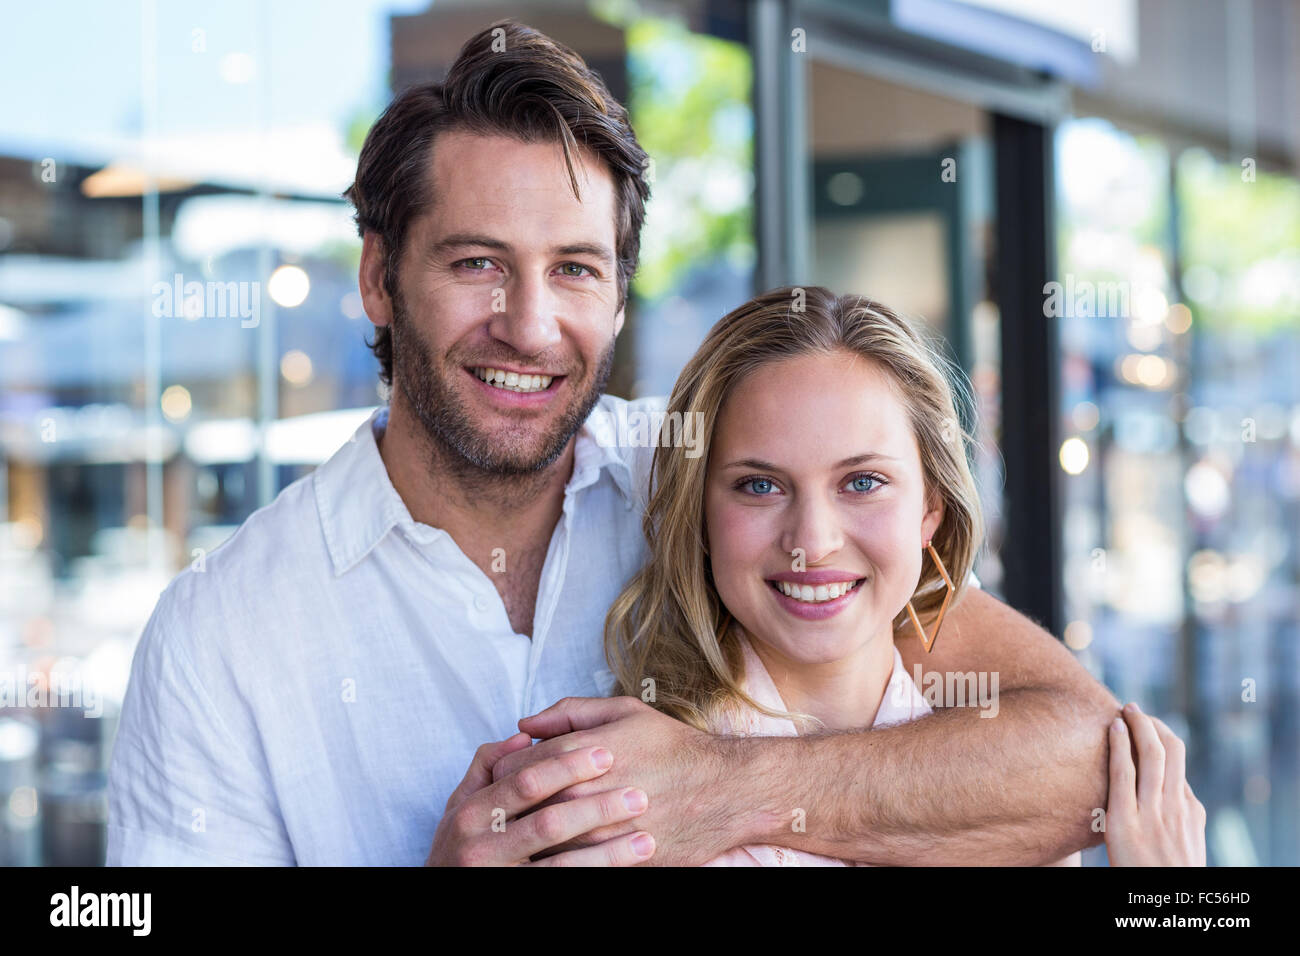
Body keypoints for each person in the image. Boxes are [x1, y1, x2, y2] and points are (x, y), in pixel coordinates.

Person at [110, 20, 1129, 867]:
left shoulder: (718, 487)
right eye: (477, 262)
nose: (530, 322)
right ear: (379, 277)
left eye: (576, 270)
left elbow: (1074, 747)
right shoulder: (221, 638)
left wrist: (727, 790)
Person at [600, 287, 1205, 866]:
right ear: (701, 516)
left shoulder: (1011, 801)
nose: (812, 541)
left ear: (929, 511)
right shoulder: (627, 806)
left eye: (862, 482)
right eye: (760, 485)